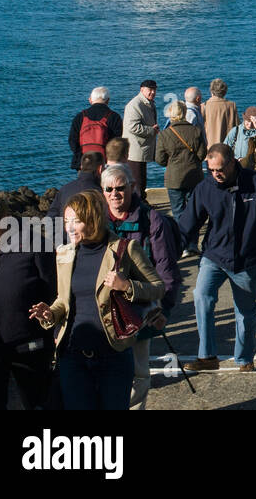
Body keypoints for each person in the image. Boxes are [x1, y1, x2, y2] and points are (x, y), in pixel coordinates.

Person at [28, 189, 164, 410]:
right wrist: (50, 313)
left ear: (94, 219)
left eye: (77, 221)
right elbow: (64, 301)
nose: (69, 227)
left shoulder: (125, 249)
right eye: (66, 221)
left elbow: (158, 288)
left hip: (114, 355)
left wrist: (127, 286)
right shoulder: (64, 253)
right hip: (73, 355)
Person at [178, 145, 256, 373]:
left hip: (247, 258)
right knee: (201, 296)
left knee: (245, 312)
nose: (215, 174)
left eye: (219, 169)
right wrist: (170, 250)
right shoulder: (205, 188)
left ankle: (244, 360)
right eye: (211, 170)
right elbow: (188, 224)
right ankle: (207, 355)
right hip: (214, 256)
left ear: (232, 163)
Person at [100, 163, 180, 410]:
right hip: (101, 311)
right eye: (109, 189)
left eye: (120, 188)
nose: (115, 194)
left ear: (132, 187)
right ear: (102, 191)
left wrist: (163, 310)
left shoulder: (151, 219)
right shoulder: (97, 221)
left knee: (138, 373)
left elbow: (166, 268)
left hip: (140, 309)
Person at [0, 191, 56, 410]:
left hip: (28, 345)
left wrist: (53, 324)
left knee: (39, 403)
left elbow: (55, 291)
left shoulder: (35, 244)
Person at [155, 99, 207, 233]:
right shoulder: (196, 131)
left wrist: (172, 162)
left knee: (178, 212)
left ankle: (182, 242)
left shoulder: (164, 134)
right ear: (184, 113)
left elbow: (160, 160)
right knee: (193, 211)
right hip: (194, 175)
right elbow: (202, 155)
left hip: (174, 178)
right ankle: (193, 243)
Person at [68, 87, 122, 171]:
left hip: (84, 161)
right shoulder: (114, 117)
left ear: (90, 100)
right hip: (104, 162)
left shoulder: (80, 116)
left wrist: (81, 159)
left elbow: (72, 141)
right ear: (108, 100)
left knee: (85, 183)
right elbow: (116, 142)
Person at [122, 79, 159, 198]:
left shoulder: (148, 102)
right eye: (150, 89)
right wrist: (151, 130)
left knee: (141, 179)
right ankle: (139, 205)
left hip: (141, 148)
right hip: (135, 149)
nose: (152, 92)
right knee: (137, 180)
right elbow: (132, 126)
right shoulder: (134, 105)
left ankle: (142, 202)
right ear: (142, 90)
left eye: (154, 89)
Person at [47, 151, 104, 219]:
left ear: (81, 166)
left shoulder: (64, 189)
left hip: (65, 228)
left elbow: (51, 217)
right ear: (100, 169)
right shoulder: (100, 192)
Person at [201, 78, 239, 148]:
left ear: (211, 91)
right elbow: (237, 127)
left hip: (209, 146)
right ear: (224, 92)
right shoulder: (231, 105)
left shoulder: (204, 106)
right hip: (226, 146)